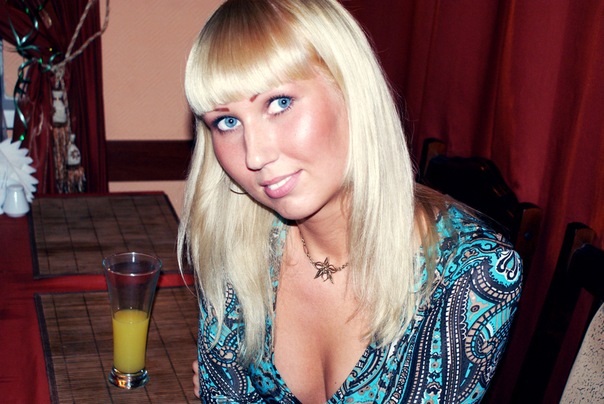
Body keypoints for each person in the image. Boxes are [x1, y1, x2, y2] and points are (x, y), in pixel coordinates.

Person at [178, 0, 522, 402]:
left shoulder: (474, 275)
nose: (254, 155)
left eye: (280, 103)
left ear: (351, 90)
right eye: (227, 122)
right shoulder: (235, 243)